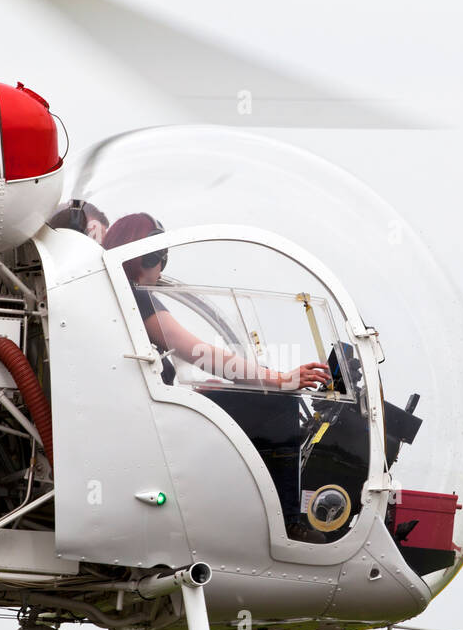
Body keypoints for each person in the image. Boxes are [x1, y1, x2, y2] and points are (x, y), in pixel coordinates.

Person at [104, 212, 329, 542]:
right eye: (160, 260)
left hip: (149, 410)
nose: (161, 271)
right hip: (158, 415)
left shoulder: (114, 296)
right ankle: (287, 521)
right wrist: (281, 380)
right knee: (279, 406)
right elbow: (196, 352)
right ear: (145, 258)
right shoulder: (135, 296)